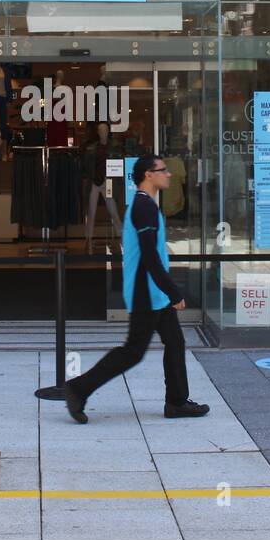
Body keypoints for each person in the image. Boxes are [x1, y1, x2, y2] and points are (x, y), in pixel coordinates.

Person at [64, 153, 209, 423]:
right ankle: (78, 389)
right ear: (148, 175)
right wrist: (173, 291)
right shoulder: (144, 207)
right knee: (132, 352)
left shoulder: (147, 205)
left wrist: (166, 291)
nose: (169, 174)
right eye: (162, 170)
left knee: (175, 342)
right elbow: (149, 257)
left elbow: (153, 255)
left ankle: (177, 402)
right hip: (146, 292)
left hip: (154, 293)